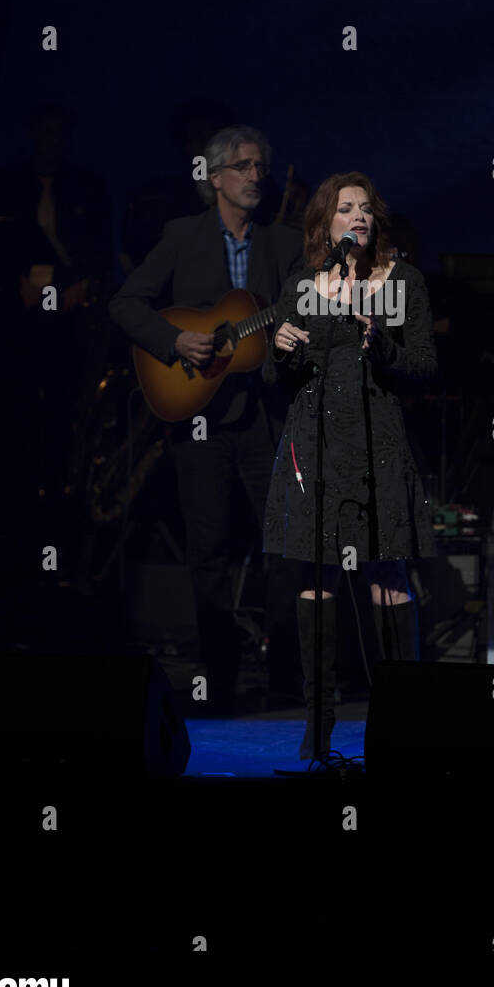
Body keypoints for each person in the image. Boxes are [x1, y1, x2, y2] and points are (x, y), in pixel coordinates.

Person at [109, 125, 304, 714]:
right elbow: (125, 304)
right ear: (214, 177)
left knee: (283, 547)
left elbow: (302, 309)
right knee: (208, 547)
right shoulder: (181, 236)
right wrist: (175, 342)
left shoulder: (285, 242)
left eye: (259, 169)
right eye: (242, 167)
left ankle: (286, 678)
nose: (253, 177)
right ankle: (217, 681)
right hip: (196, 412)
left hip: (264, 416)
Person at [262, 171, 439, 758]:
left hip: (378, 441)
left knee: (387, 575)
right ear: (325, 225)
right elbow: (273, 376)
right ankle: (319, 722)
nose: (358, 217)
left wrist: (380, 344)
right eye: (345, 209)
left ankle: (403, 720)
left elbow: (424, 366)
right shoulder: (304, 285)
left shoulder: (404, 281)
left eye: (366, 208)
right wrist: (282, 350)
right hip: (314, 444)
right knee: (317, 577)